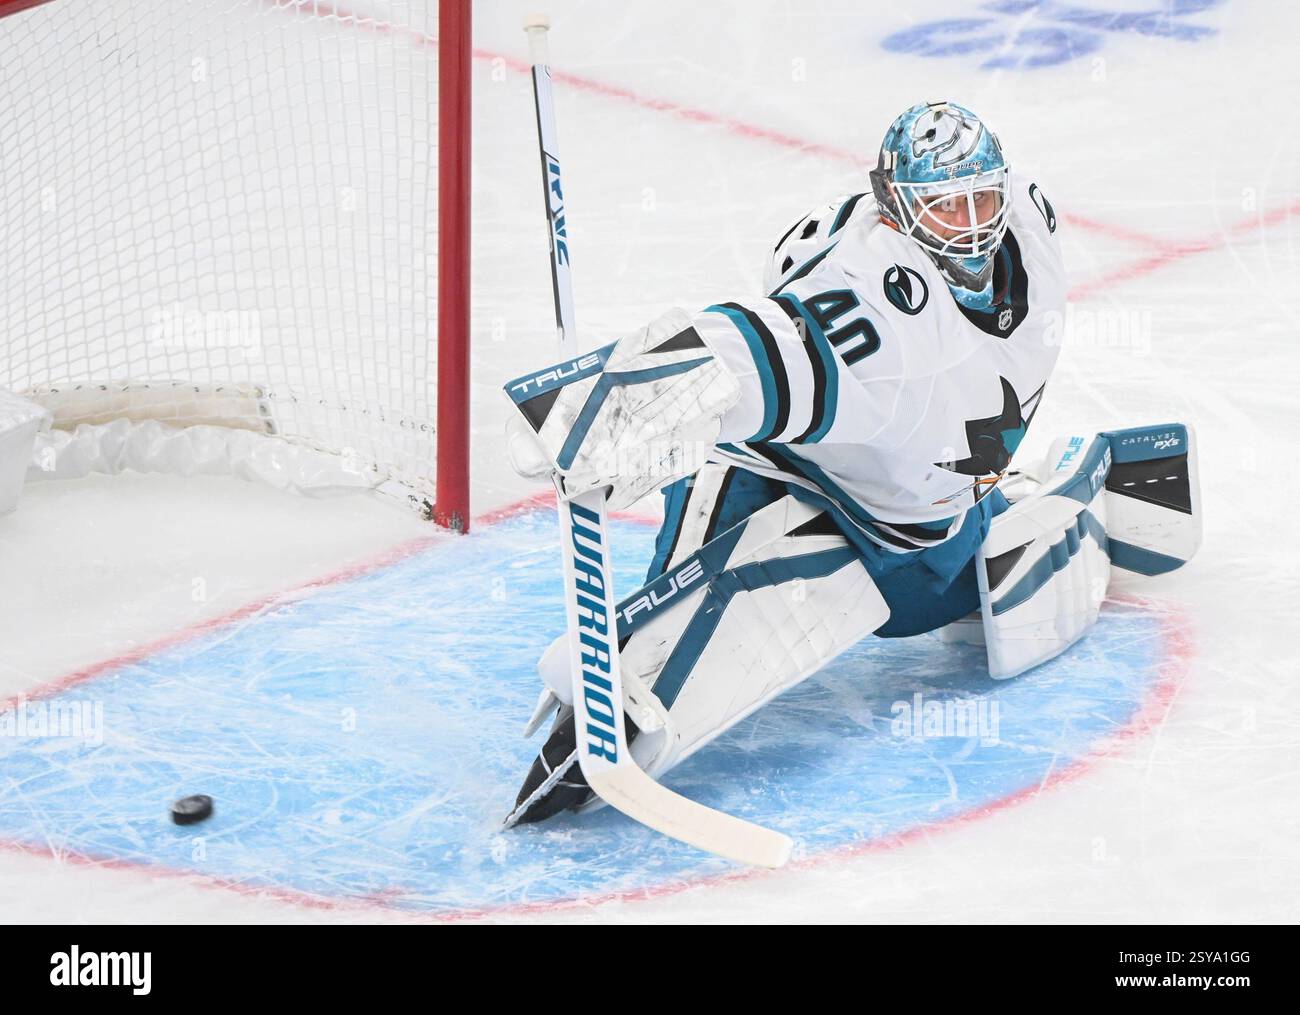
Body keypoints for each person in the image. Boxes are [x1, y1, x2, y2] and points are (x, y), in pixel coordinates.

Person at [500, 100, 1185, 827]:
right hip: (794, 477)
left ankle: (1046, 489)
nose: (976, 224)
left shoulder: (1032, 225)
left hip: (931, 542)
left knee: (974, 589)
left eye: (983, 198)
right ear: (896, 212)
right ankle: (622, 696)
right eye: (947, 209)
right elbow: (759, 349)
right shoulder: (880, 307)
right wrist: (613, 404)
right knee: (688, 605)